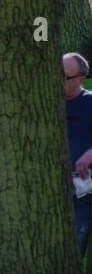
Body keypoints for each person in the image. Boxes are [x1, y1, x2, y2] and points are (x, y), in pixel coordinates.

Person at [64, 52, 92, 257]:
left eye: (65, 77)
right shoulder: (43, 100)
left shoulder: (89, 102)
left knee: (74, 249)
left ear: (81, 78)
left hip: (80, 191)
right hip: (43, 187)